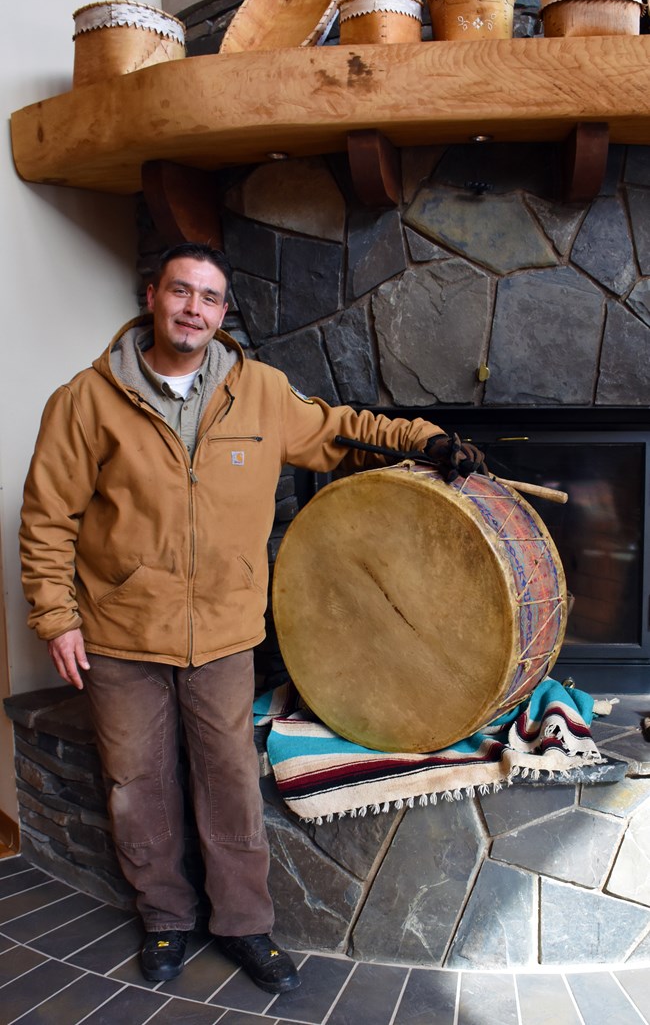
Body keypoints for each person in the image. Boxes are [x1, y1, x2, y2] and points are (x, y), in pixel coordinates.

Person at [19, 243, 486, 993]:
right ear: (152, 296)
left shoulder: (260, 391)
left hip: (225, 633)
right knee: (138, 783)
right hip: (120, 632)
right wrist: (56, 618)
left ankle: (244, 925)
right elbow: (47, 517)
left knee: (230, 779)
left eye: (209, 297)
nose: (193, 309)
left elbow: (337, 428)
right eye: (181, 292)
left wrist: (422, 440)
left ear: (223, 312)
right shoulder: (85, 399)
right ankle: (166, 918)